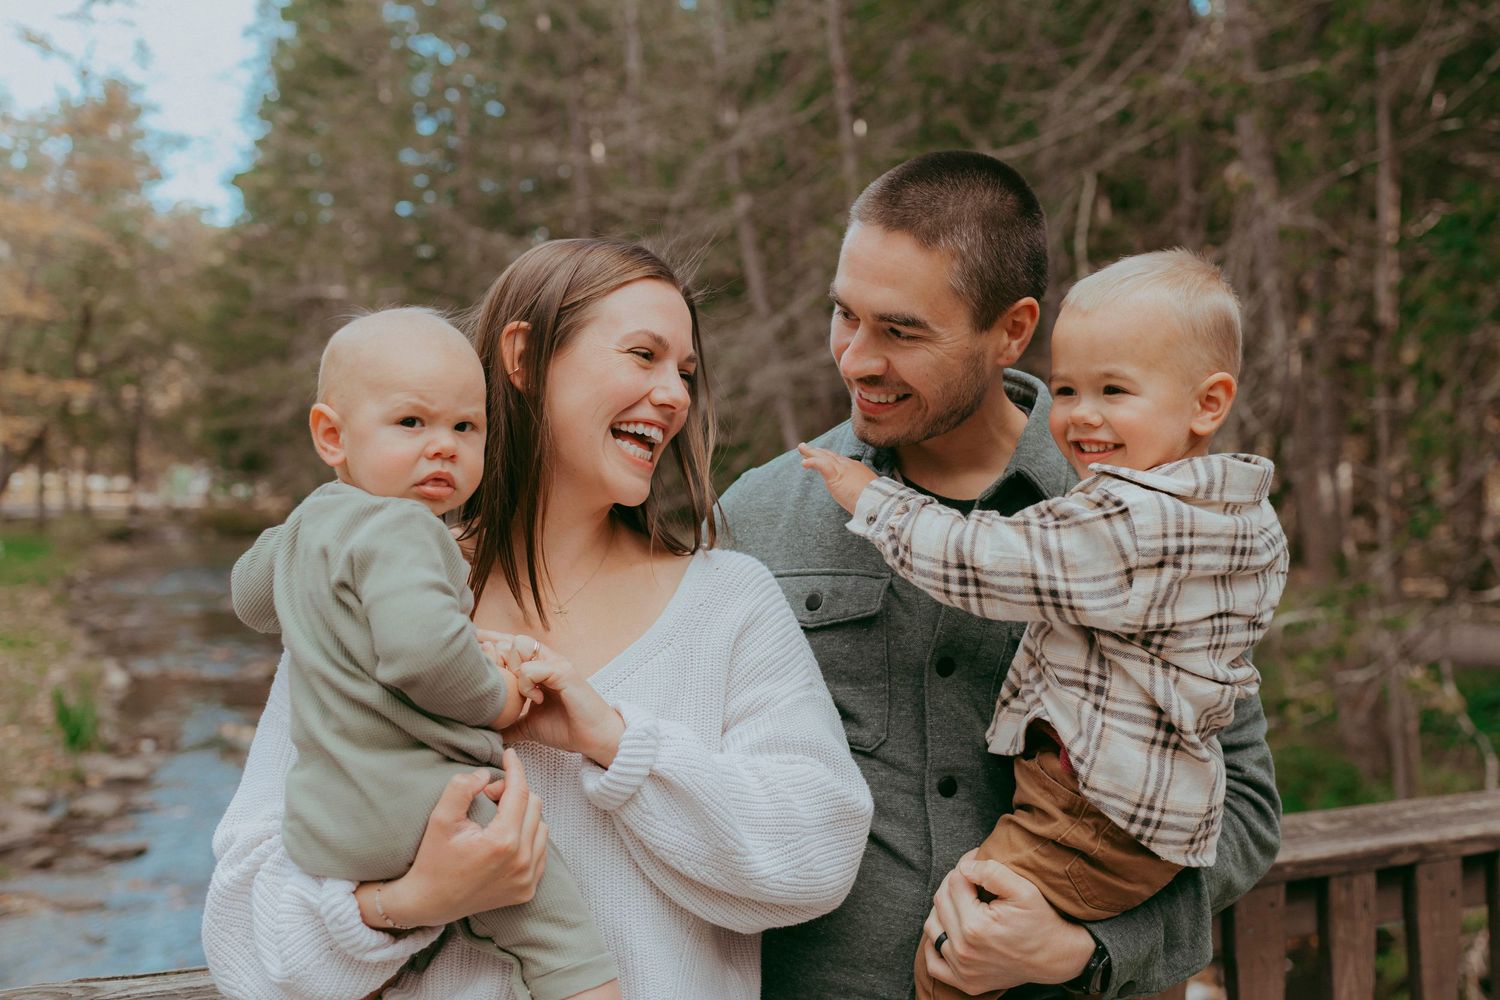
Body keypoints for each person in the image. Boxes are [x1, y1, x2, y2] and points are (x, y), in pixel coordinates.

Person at [203, 239, 874, 1000]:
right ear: (522, 357)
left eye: (685, 373)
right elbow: (240, 938)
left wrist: (613, 742)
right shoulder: (360, 586)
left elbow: (819, 855)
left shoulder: (729, 601)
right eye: (643, 355)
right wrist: (407, 904)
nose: (676, 395)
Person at [718, 152, 1282, 999]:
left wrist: (1085, 948)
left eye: (902, 331)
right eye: (844, 315)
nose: (856, 360)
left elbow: (1242, 812)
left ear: (1012, 330)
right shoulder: (756, 516)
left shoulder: (1143, 515)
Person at [229, 308, 619, 1000]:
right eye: (412, 423)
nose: (442, 447)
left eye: (464, 428)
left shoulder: (308, 526)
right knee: (555, 927)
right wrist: (500, 695)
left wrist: (298, 536)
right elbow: (425, 658)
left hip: (324, 824)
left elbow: (251, 601)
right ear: (331, 434)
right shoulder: (407, 528)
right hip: (421, 804)